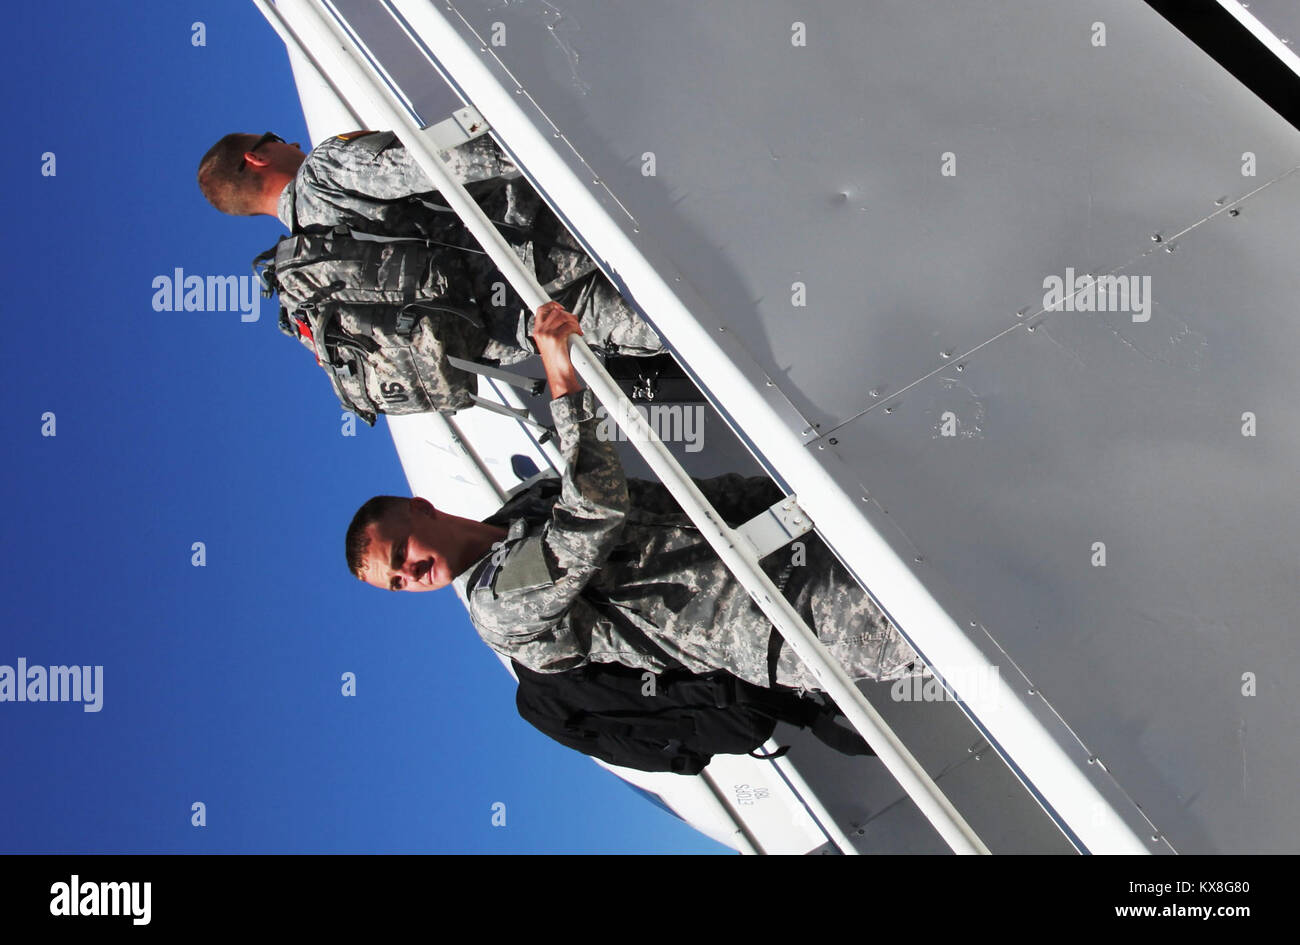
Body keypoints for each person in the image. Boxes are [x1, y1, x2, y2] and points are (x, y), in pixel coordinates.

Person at [343, 301, 923, 693]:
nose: (412, 574)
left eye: (400, 556)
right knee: (958, 631)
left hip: (786, 527)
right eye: (398, 582)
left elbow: (662, 501)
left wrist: (775, 493)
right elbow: (591, 516)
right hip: (781, 614)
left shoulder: (529, 503)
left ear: (420, 508)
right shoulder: (495, 604)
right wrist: (560, 374)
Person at [195, 129, 664, 370]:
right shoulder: (324, 172)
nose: (291, 141)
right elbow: (451, 163)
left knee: (708, 327)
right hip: (560, 232)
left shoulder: (306, 280)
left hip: (540, 325)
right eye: (275, 139)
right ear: (257, 157)